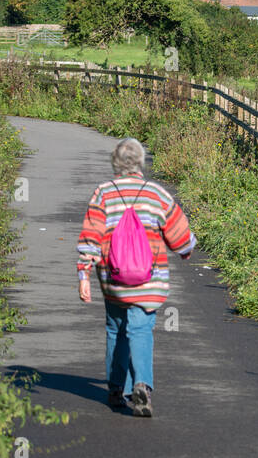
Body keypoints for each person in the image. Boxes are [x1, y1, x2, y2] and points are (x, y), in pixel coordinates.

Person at [76, 137, 195, 417]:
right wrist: (187, 249)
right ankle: (142, 384)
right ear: (141, 162)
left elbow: (90, 238)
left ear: (115, 163)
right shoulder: (157, 194)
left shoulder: (103, 194)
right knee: (140, 329)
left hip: (113, 279)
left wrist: (83, 275)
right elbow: (181, 238)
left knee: (115, 329)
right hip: (148, 281)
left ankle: (117, 388)